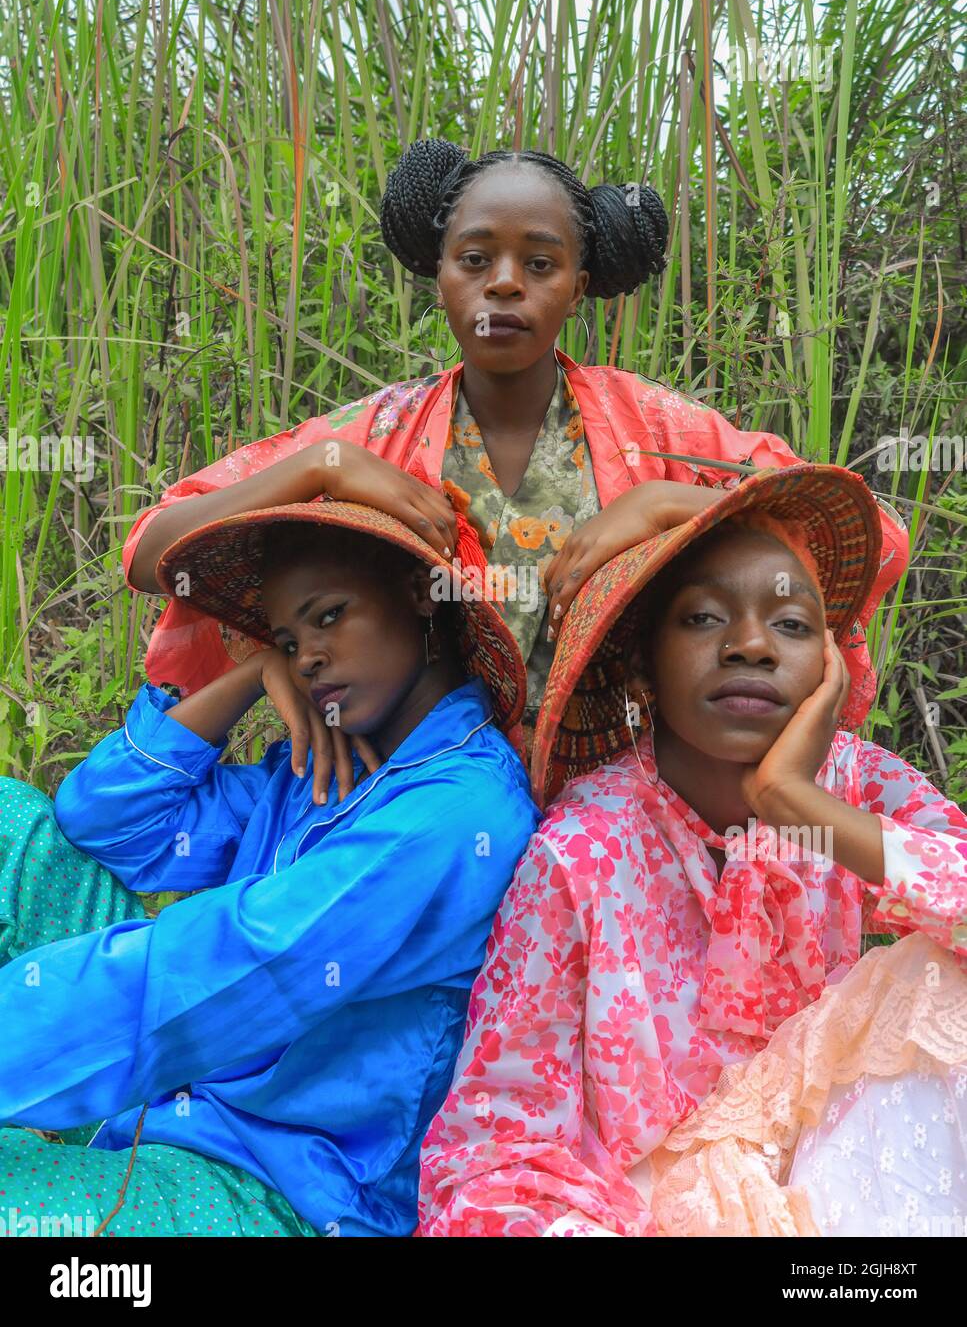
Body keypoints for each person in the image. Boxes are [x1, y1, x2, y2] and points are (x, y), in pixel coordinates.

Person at [121, 139, 908, 768]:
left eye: (539, 262)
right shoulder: (378, 433)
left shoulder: (652, 427)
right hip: (419, 800)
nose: (504, 285)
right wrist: (319, 466)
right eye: (474, 259)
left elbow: (862, 540)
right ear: (438, 277)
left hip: (616, 827)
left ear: (578, 284)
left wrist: (666, 505)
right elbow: (156, 554)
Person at [417, 464, 967, 1237]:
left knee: (945, 980)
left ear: (829, 669)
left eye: (791, 624)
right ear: (644, 661)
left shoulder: (854, 786)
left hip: (844, 1191)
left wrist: (795, 802)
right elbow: (497, 1142)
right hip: (662, 1215)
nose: (749, 645)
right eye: (704, 619)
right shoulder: (582, 854)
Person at [0, 499, 540, 1238]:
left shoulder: (456, 812)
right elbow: (105, 822)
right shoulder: (326, 763)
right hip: (180, 1091)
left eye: (329, 617)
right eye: (288, 639)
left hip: (276, 1180)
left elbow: (240, 956)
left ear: (421, 595)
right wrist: (250, 676)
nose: (308, 657)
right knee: (11, 819)